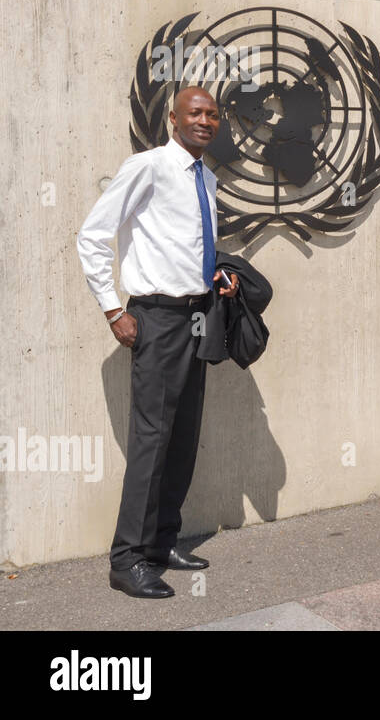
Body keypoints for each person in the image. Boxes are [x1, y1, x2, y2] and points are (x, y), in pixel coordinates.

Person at [77, 86, 239, 599]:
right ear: (173, 119)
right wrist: (112, 308)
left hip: (198, 316)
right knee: (151, 439)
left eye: (213, 114)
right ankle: (127, 560)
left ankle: (162, 541)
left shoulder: (206, 177)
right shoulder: (146, 167)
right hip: (156, 319)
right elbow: (93, 235)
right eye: (195, 112)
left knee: (184, 435)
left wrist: (215, 278)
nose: (205, 120)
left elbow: (185, 246)